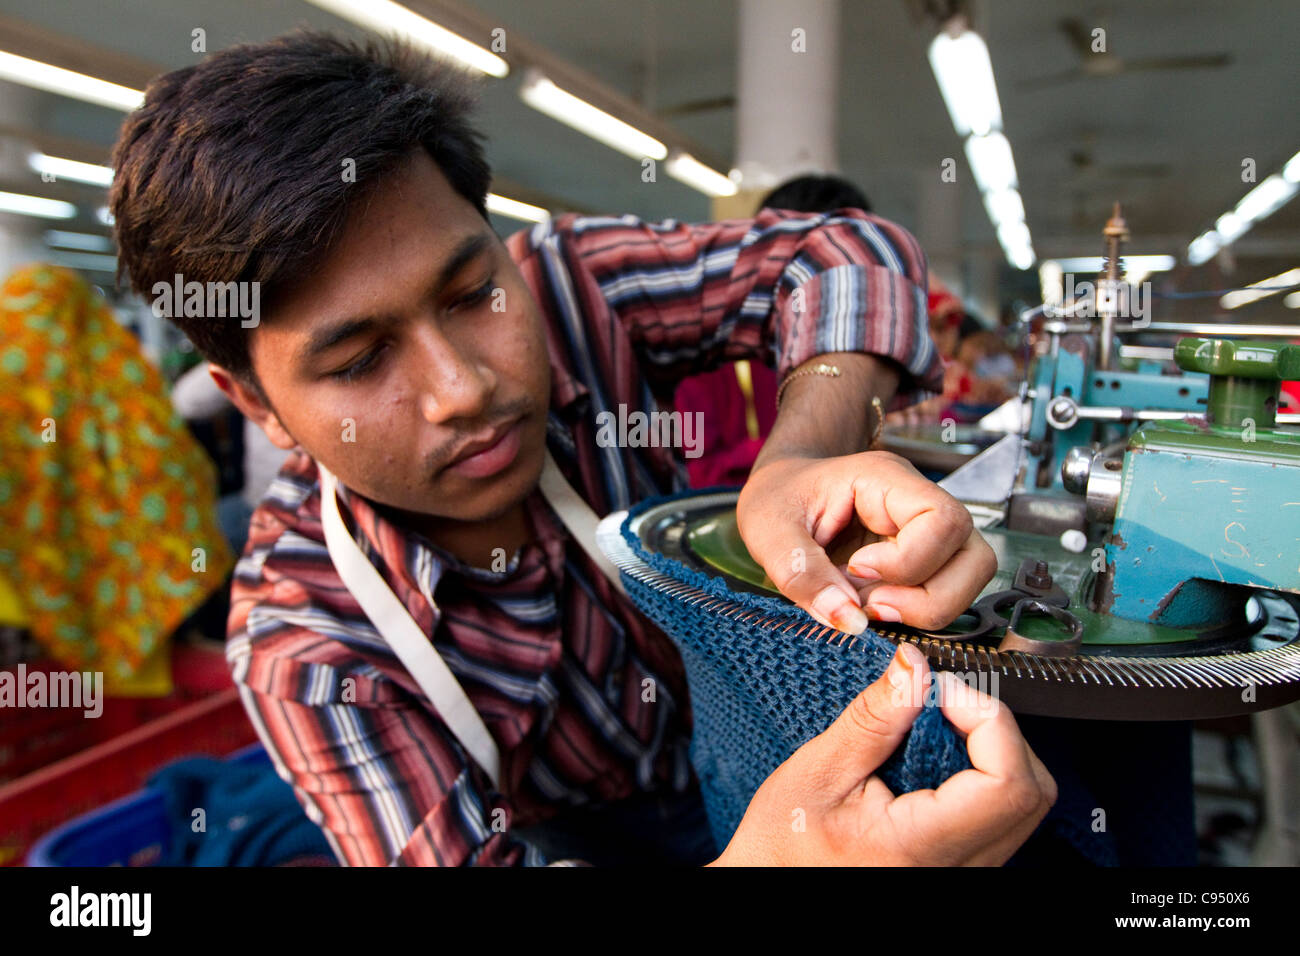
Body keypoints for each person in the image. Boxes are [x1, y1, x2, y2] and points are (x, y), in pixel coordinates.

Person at [107, 31, 1052, 866]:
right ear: (257, 405)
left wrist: (802, 450)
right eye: (358, 360)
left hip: (737, 735)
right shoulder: (304, 641)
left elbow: (846, 252)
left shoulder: (571, 289)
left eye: (473, 294)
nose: (464, 390)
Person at [0, 264, 233, 694]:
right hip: (143, 608)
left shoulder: (14, 394)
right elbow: (178, 475)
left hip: (25, 622)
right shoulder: (125, 383)